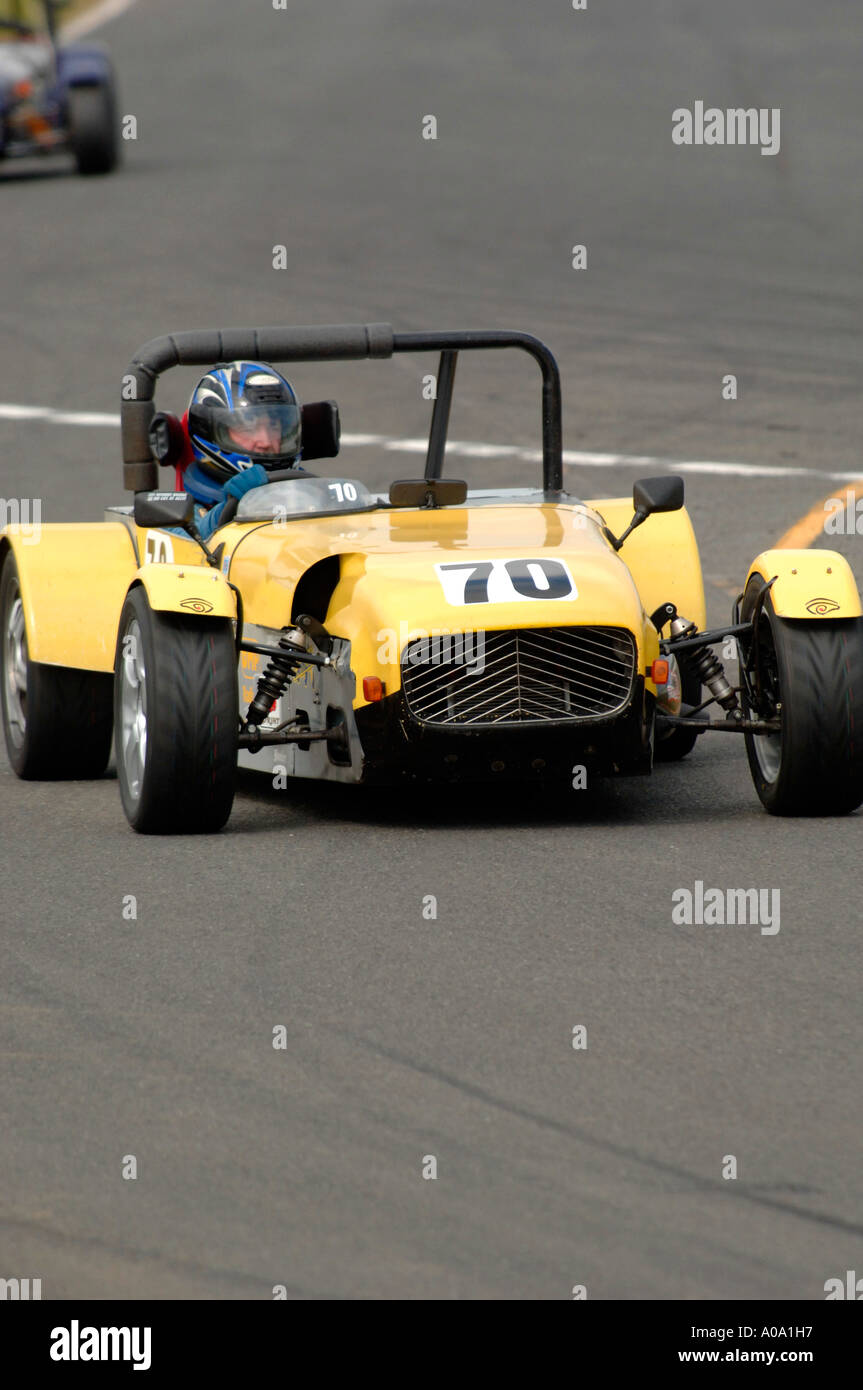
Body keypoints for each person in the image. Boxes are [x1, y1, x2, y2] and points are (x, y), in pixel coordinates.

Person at [178, 362, 307, 540]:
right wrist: (228, 507)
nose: (266, 441)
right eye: (249, 428)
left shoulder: (308, 496)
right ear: (213, 433)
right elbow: (190, 542)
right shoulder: (177, 515)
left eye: (273, 425)